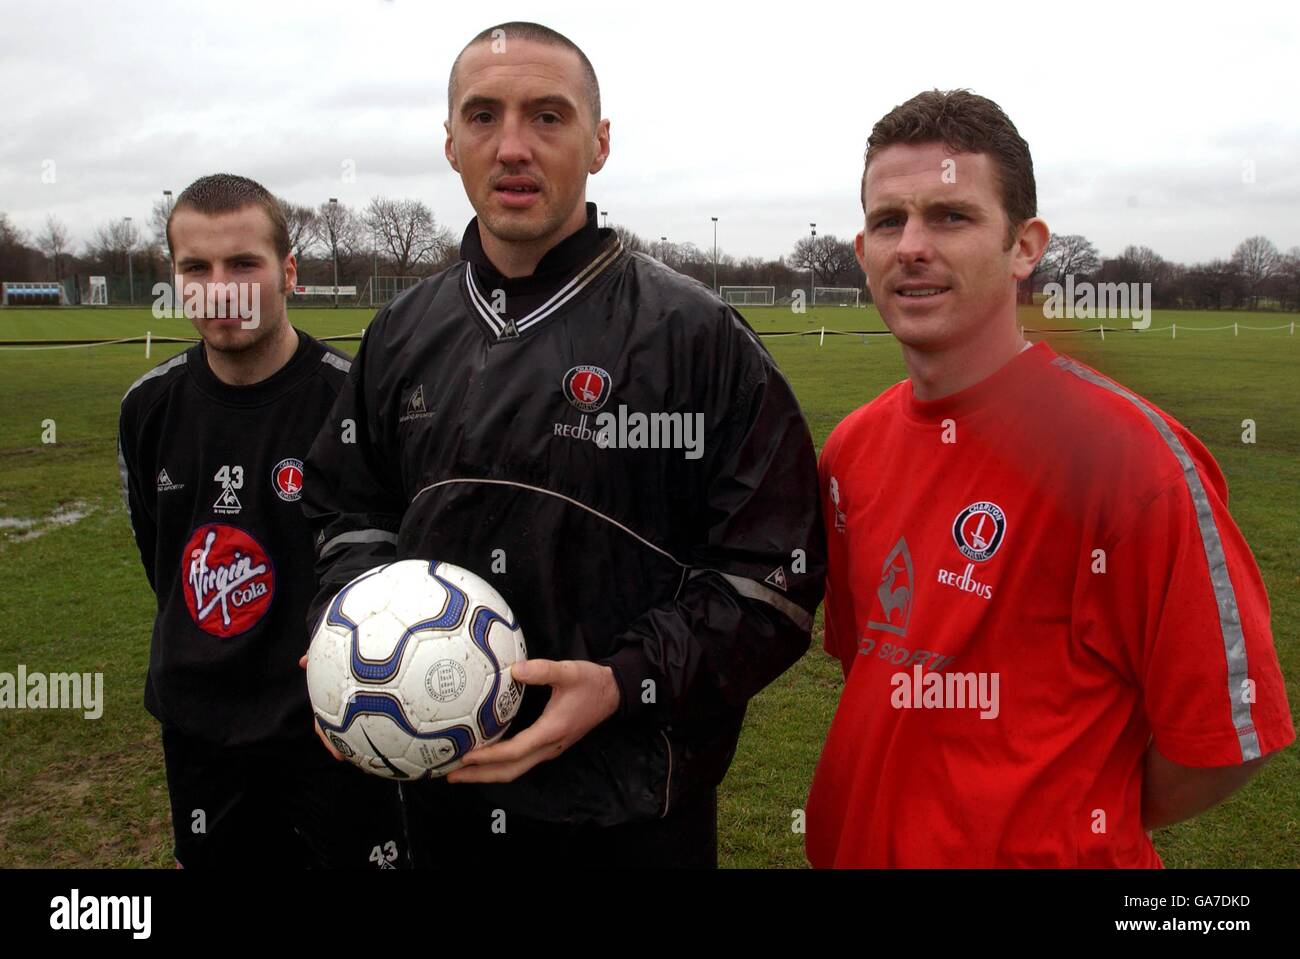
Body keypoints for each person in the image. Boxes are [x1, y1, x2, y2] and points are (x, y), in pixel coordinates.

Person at [301, 22, 825, 868]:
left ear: (600, 142)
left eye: (548, 116)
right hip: (437, 790)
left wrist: (623, 681)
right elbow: (346, 508)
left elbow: (773, 578)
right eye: (483, 117)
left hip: (627, 809)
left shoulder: (696, 336)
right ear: (449, 143)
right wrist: (359, 624)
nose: (513, 147)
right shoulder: (400, 333)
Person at [805, 89, 1295, 868]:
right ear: (861, 247)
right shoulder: (851, 448)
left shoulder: (1133, 461)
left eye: (952, 216)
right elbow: (874, 662)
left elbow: (1227, 739)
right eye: (888, 220)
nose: (912, 245)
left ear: (1025, 246)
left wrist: (1056, 816)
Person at [117, 173, 406, 868]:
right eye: (197, 267)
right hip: (201, 734)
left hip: (335, 731)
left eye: (244, 263)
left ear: (289, 271)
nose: (222, 287)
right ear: (177, 279)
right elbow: (156, 553)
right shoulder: (147, 407)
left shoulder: (351, 401)